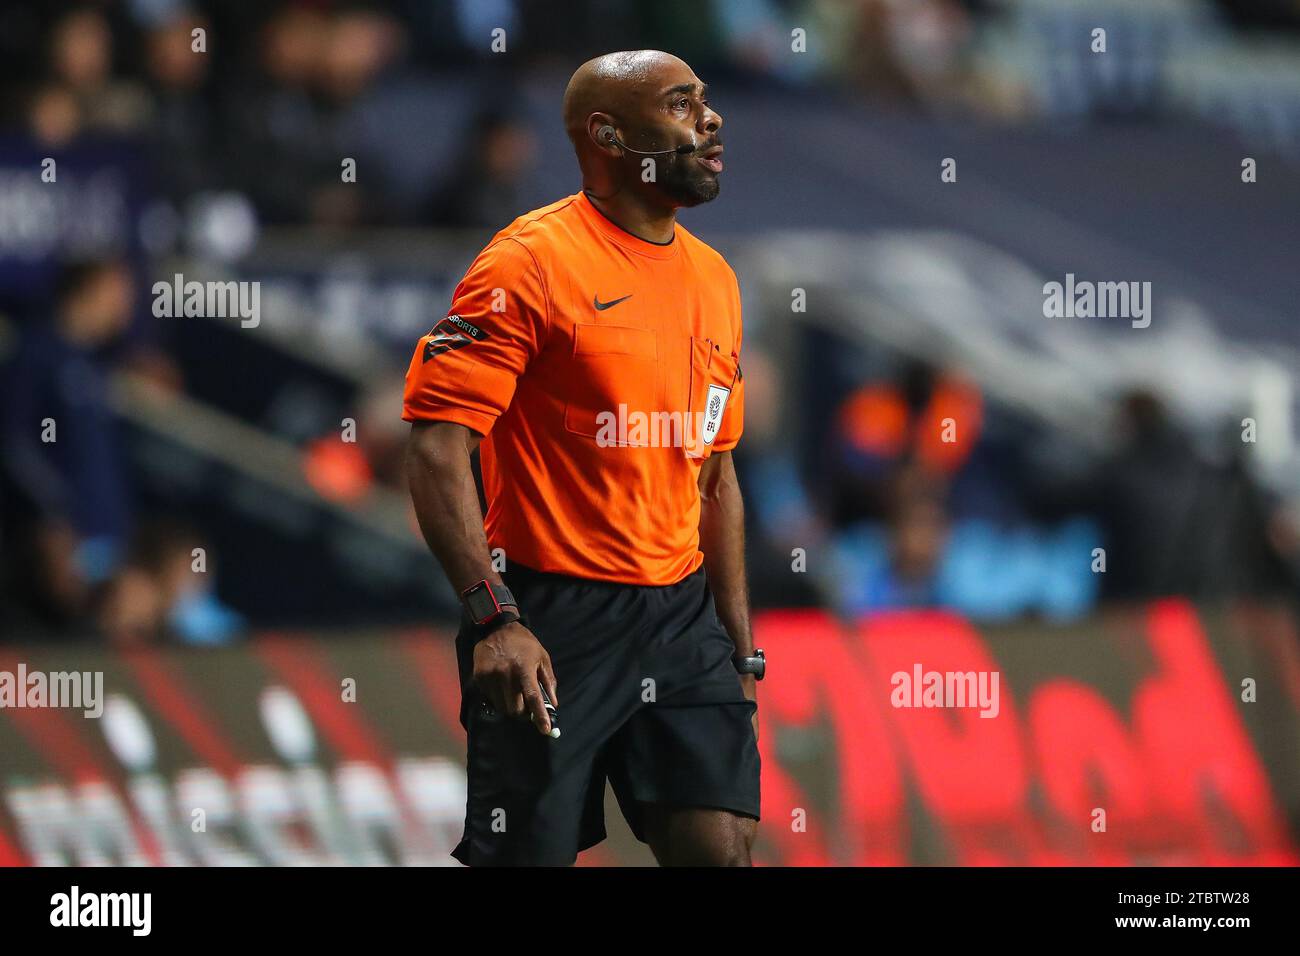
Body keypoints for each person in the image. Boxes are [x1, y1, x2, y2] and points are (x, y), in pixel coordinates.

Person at [403, 50, 761, 866]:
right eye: (680, 106)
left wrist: (739, 649)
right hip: (553, 614)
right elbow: (435, 445)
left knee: (722, 844)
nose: (710, 121)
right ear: (606, 133)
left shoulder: (716, 281)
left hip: (678, 616)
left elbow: (717, 476)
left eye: (706, 102)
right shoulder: (529, 262)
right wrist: (493, 618)